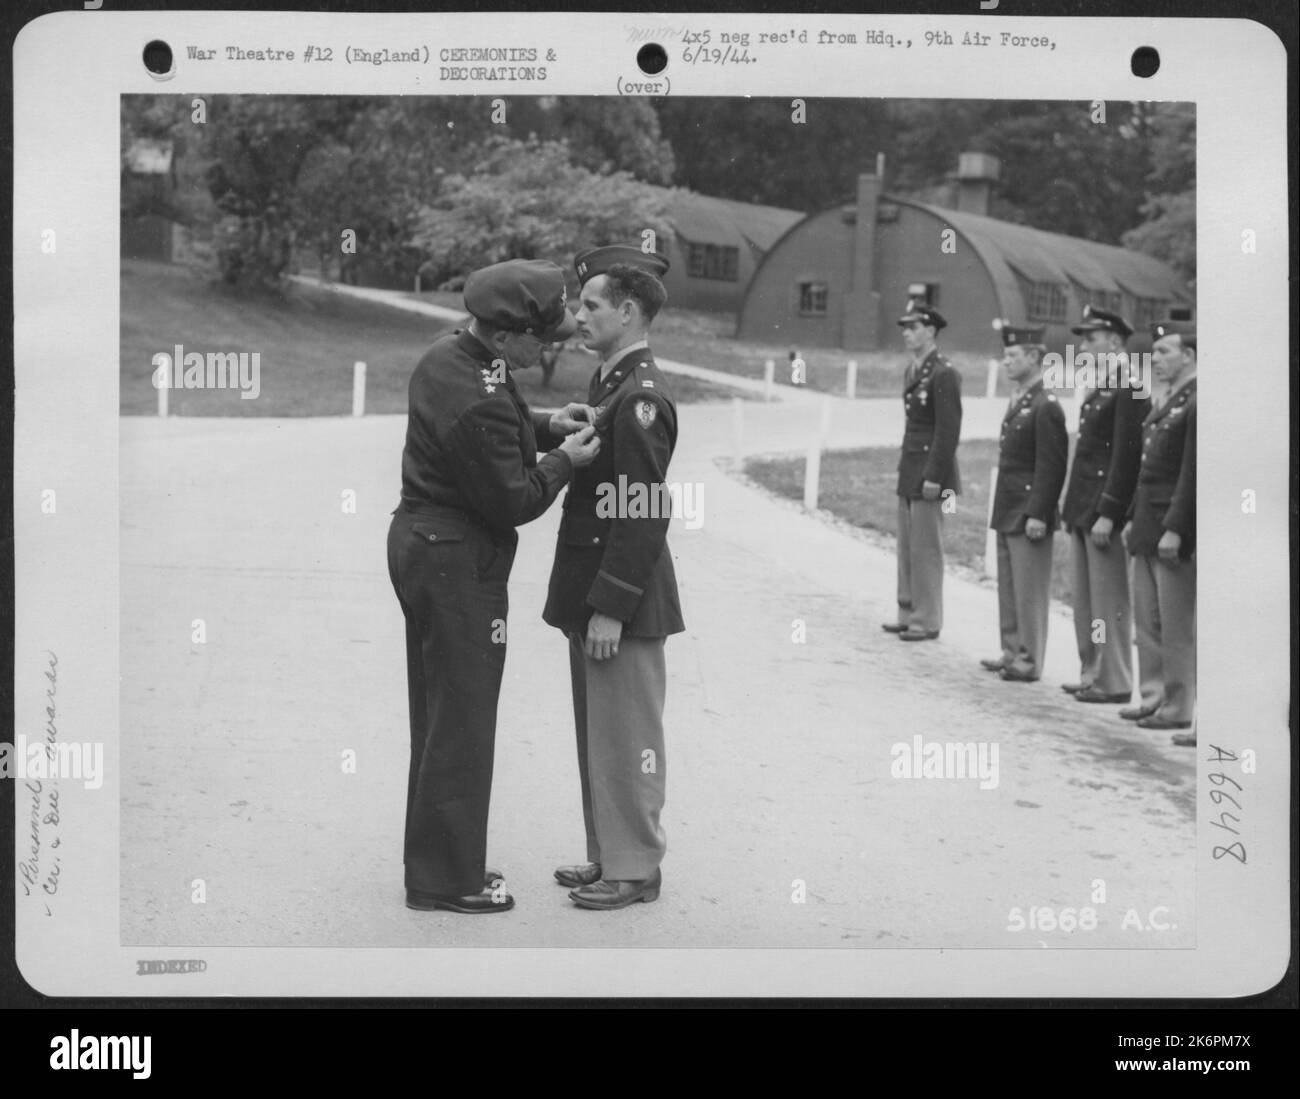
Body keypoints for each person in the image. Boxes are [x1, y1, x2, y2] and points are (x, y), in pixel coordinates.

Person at [387, 258, 601, 913]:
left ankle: (436, 860)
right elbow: (515, 498)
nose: (553, 345)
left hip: (427, 547)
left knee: (443, 711)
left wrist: (543, 425)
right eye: (545, 337)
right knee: (464, 718)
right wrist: (566, 460)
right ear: (507, 336)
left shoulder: (460, 354)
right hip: (455, 560)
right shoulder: (476, 386)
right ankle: (448, 880)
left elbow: (496, 416)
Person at [544, 245, 684, 910]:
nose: (578, 314)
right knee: (600, 730)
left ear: (627, 312)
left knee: (627, 732)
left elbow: (644, 509)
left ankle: (635, 866)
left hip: (621, 601)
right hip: (595, 590)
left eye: (591, 304)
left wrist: (611, 606)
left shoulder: (641, 399)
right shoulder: (610, 384)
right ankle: (609, 851)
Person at [1059, 306, 1150, 704]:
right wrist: (1072, 508)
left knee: (1108, 600)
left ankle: (1113, 678)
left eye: (1091, 338)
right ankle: (1091, 669)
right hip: (1084, 508)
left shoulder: (1129, 386)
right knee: (1087, 600)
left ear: (1114, 341)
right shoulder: (1103, 384)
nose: (1084, 346)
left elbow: (1125, 460)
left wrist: (1109, 513)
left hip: (1102, 513)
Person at [1122, 320, 1196, 745]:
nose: (1157, 359)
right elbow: (1149, 468)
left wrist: (1175, 529)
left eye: (1166, 351)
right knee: (1148, 618)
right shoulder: (1168, 398)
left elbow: (1188, 474)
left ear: (1188, 355)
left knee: (1175, 622)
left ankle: (1179, 703)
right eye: (1155, 352)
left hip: (1171, 528)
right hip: (1148, 523)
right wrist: (1135, 515)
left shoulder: (1196, 400)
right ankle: (1153, 695)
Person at [981, 323, 1068, 682]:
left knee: (1029, 590)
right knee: (1009, 586)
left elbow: (1052, 466)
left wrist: (1039, 513)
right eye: (1005, 356)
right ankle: (1011, 651)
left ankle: (1029, 659)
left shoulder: (1046, 406)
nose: (1006, 362)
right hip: (1008, 506)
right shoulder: (1020, 399)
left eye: (1013, 356)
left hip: (1029, 511)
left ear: (1034, 358)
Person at [884, 300, 962, 642]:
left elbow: (948, 431)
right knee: (906, 546)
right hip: (910, 468)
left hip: (932, 473)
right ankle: (907, 610)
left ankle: (927, 619)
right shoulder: (913, 370)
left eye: (913, 327)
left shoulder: (944, 373)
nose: (906, 333)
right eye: (904, 327)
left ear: (931, 331)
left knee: (926, 548)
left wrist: (933, 476)